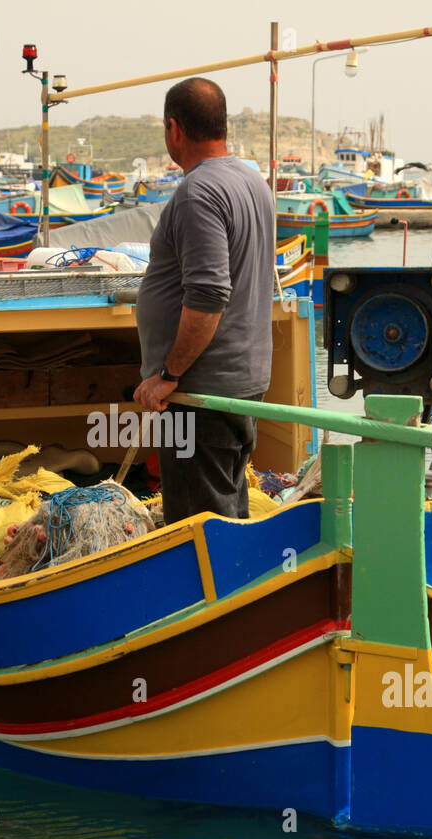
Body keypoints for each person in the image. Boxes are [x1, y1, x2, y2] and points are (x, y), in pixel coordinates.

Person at [132, 77, 275, 523]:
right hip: (240, 381)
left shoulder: (198, 193)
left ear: (174, 129)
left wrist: (168, 374)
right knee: (227, 512)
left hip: (201, 393)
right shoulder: (253, 183)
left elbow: (210, 294)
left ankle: (211, 594)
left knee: (198, 526)